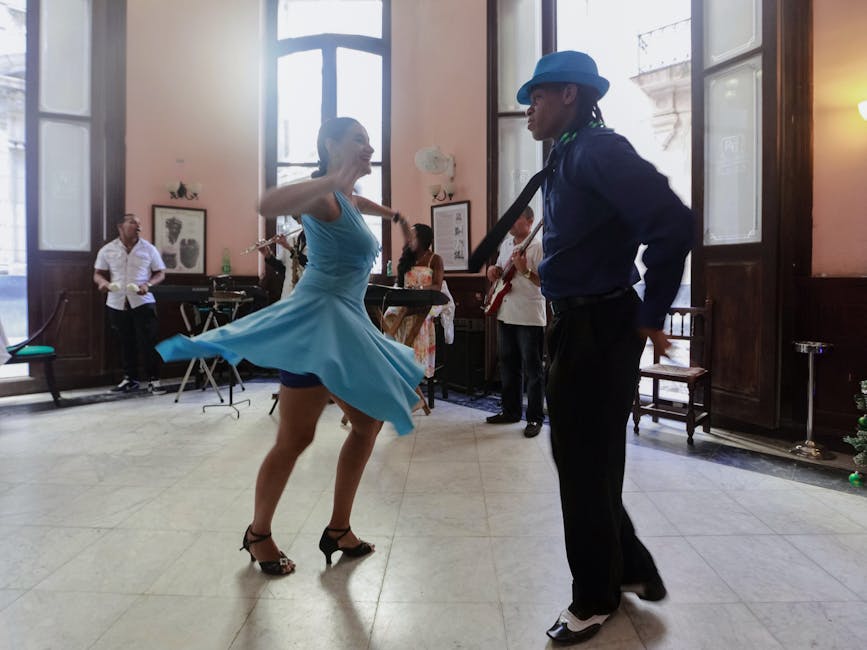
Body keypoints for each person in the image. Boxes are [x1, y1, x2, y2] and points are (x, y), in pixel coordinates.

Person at [156, 117, 423, 576]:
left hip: (345, 325)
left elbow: (359, 202)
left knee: (367, 424)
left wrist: (394, 216)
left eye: (369, 140)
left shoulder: (346, 198)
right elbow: (267, 203)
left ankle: (338, 528)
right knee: (296, 438)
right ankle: (259, 533)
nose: (368, 146)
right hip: (316, 324)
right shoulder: (322, 195)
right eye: (358, 139)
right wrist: (333, 179)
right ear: (330, 144)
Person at [516, 51, 693, 643]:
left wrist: (651, 312)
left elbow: (673, 223)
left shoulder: (598, 150)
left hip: (598, 325)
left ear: (570, 94)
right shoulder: (571, 154)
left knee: (584, 465)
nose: (529, 108)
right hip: (579, 324)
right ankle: (631, 568)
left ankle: (594, 598)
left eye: (537, 96)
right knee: (582, 461)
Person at [484, 205, 546, 438]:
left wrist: (525, 270)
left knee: (533, 370)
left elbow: (545, 283)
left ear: (530, 221)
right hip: (506, 311)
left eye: (516, 218)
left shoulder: (539, 247)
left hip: (529, 315)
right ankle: (510, 412)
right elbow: (501, 272)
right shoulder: (506, 245)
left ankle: (535, 418)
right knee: (508, 366)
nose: (510, 222)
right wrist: (493, 271)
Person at [93, 213, 166, 392]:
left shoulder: (148, 249)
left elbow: (160, 273)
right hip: (117, 302)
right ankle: (130, 379)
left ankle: (154, 380)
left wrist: (148, 285)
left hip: (143, 302)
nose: (138, 226)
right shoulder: (107, 250)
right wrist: (103, 283)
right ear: (121, 226)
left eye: (139, 223)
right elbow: (98, 274)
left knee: (148, 342)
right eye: (133, 222)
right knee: (125, 342)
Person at [383, 220, 454, 381]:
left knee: (416, 318)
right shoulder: (407, 259)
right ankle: (394, 361)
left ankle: (415, 367)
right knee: (390, 314)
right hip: (408, 300)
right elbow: (401, 284)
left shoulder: (435, 259)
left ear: (423, 239)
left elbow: (437, 286)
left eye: (412, 236)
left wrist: (419, 289)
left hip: (428, 301)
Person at [258, 217, 308, 301]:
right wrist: (268, 255)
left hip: (307, 294)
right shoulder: (291, 239)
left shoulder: (320, 242)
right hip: (288, 293)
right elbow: (283, 269)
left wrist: (289, 248)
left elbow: (309, 265)